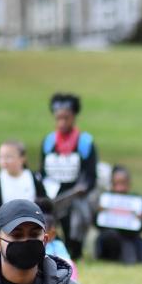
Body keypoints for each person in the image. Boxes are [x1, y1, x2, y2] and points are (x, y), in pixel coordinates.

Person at [40, 93, 97, 260]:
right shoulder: (49, 142)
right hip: (53, 195)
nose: (62, 123)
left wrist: (83, 188)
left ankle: (75, 250)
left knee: (77, 217)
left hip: (77, 194)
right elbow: (43, 172)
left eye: (66, 118)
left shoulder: (85, 142)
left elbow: (90, 174)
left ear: (74, 117)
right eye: (58, 118)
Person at [0, 140, 46, 232]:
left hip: (32, 230)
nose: (4, 161)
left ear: (22, 158)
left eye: (9, 157)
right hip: (8, 233)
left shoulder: (34, 178)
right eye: (1, 157)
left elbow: (44, 202)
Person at [94, 166, 142, 264]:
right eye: (116, 184)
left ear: (129, 184)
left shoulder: (137, 201)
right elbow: (96, 225)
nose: (119, 188)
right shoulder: (104, 200)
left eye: (123, 184)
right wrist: (99, 214)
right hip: (109, 239)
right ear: (111, 183)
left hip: (130, 237)